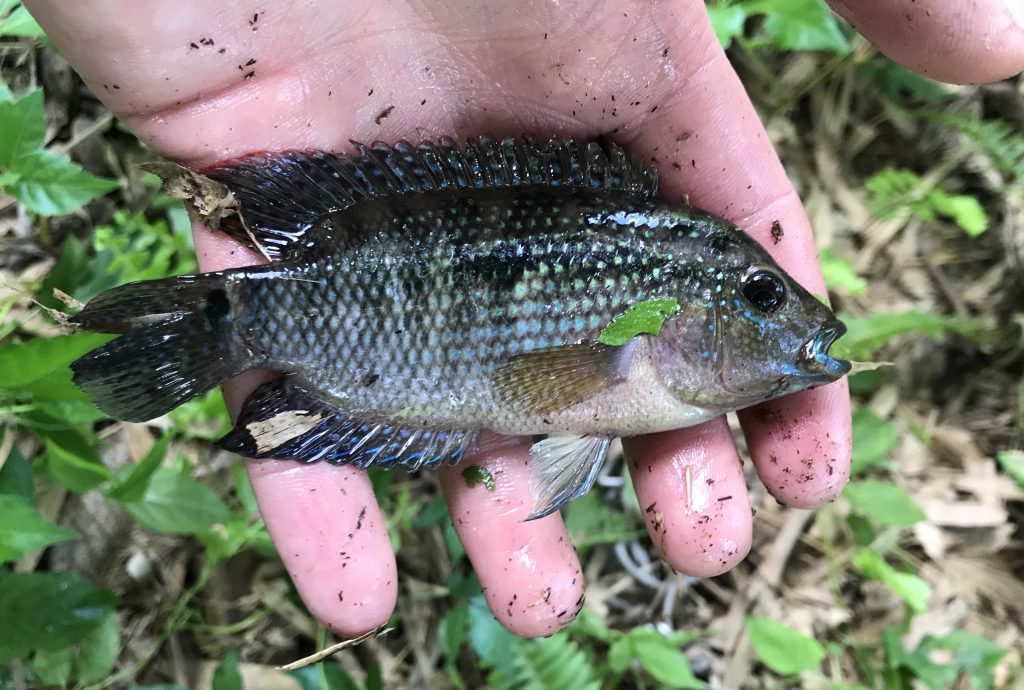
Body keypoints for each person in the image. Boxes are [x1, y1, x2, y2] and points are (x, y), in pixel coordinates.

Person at [26, 0, 1024, 638]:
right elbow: (546, 392)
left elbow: (559, 401)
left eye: (768, 295)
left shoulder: (660, 314)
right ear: (677, 311)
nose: (790, 319)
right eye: (760, 297)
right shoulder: (648, 313)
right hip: (339, 302)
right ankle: (220, 329)